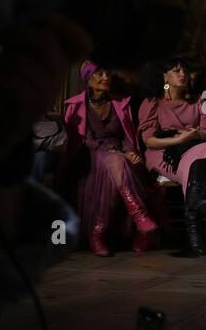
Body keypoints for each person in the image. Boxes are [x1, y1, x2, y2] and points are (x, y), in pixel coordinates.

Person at [58, 61, 159, 256]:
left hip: (117, 156)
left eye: (107, 74)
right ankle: (140, 220)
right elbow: (82, 140)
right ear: (88, 78)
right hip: (89, 157)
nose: (106, 78)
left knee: (118, 165)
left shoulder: (120, 103)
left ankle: (98, 233)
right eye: (99, 74)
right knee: (115, 163)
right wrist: (114, 153)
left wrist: (129, 151)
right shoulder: (76, 105)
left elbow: (126, 137)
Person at [139, 56, 206, 257]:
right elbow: (149, 141)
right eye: (176, 71)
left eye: (184, 70)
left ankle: (191, 211)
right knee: (203, 154)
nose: (183, 74)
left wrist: (192, 135)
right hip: (164, 152)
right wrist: (178, 140)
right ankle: (194, 212)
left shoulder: (201, 99)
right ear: (164, 77)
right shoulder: (152, 102)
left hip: (193, 147)